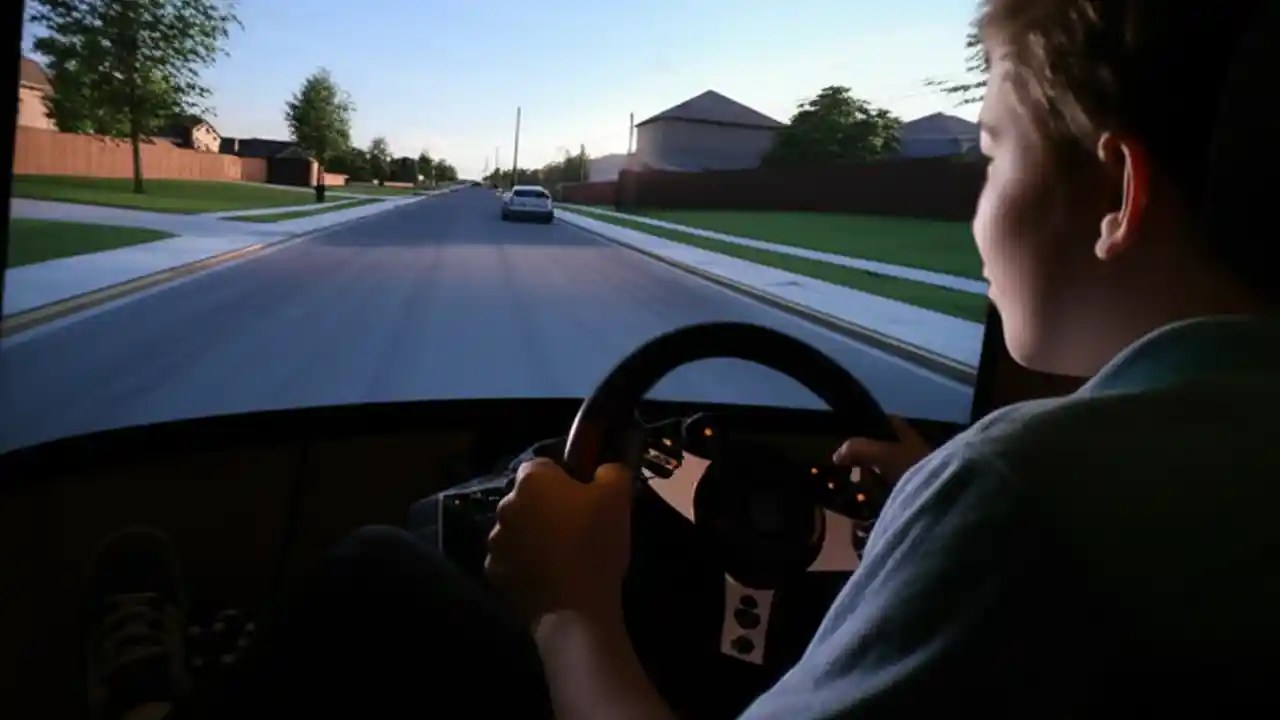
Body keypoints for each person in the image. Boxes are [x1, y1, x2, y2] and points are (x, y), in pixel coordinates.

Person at [86, 1, 1280, 717]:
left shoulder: (1015, 496)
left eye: (990, 157)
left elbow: (1017, 530)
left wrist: (569, 607)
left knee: (373, 574)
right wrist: (927, 490)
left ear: (1114, 196)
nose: (975, 210)